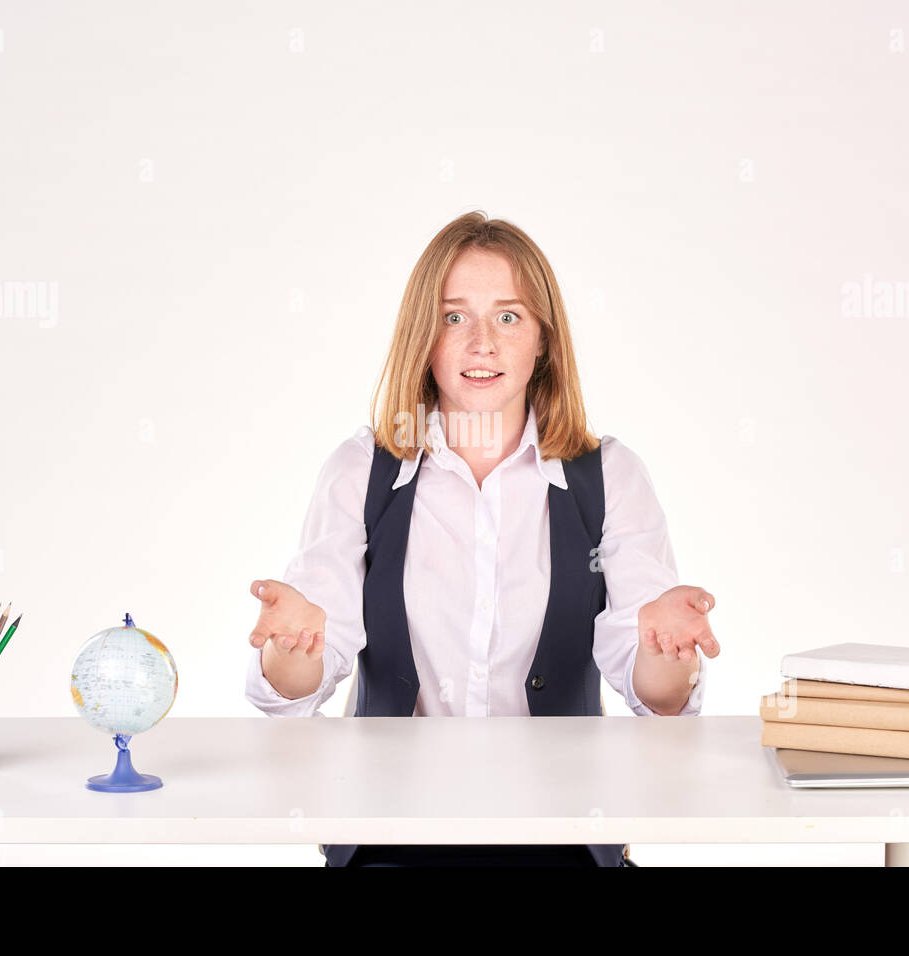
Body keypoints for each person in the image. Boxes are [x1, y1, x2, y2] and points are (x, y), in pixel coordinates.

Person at [244, 211, 721, 867]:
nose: (481, 343)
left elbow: (657, 698)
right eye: (452, 317)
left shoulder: (607, 476)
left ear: (543, 341)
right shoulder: (364, 470)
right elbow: (299, 685)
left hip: (562, 841)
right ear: (424, 338)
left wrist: (670, 647)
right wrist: (291, 643)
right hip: (390, 841)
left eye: (509, 316)